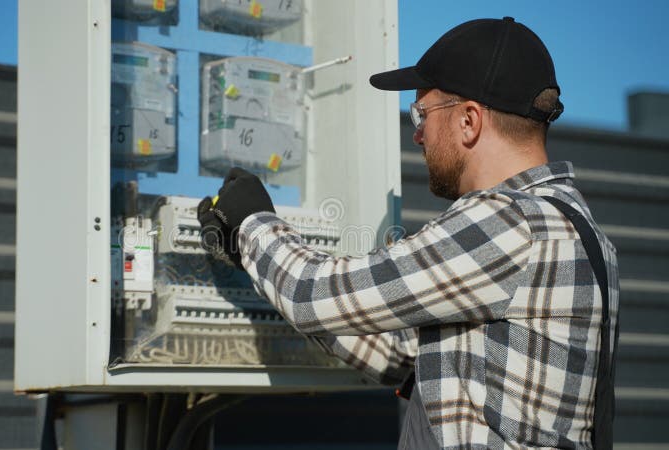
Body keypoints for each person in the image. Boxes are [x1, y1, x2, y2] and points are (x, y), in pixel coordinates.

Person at [198, 17, 619, 449]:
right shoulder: (575, 227)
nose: (417, 133)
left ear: (469, 121)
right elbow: (403, 359)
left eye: (422, 112)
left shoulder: (510, 224)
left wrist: (252, 222)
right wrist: (256, 260)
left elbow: (313, 294)